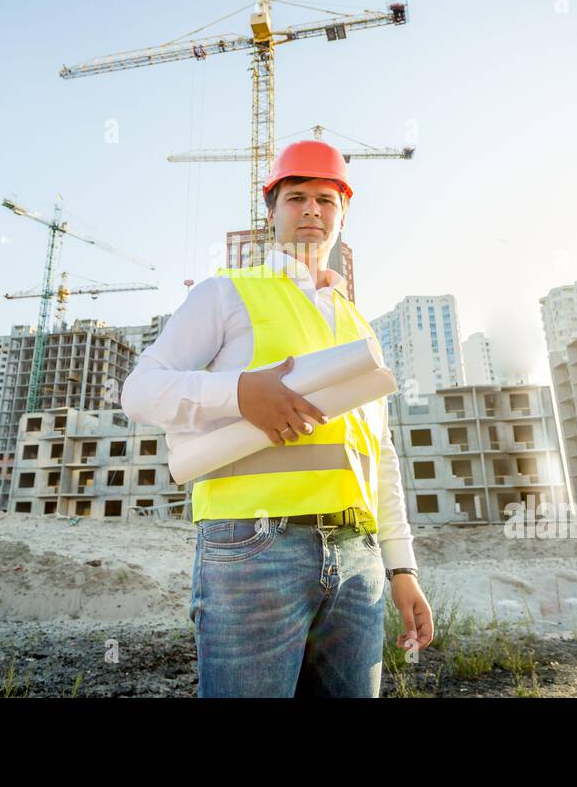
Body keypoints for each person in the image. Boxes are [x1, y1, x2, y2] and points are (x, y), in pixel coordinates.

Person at [121, 138, 433, 697]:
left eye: (326, 199)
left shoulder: (359, 325)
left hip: (357, 559)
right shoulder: (225, 294)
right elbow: (141, 391)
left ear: (342, 214)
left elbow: (378, 456)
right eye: (296, 197)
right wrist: (241, 395)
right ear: (271, 212)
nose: (312, 209)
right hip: (253, 549)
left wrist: (401, 567)